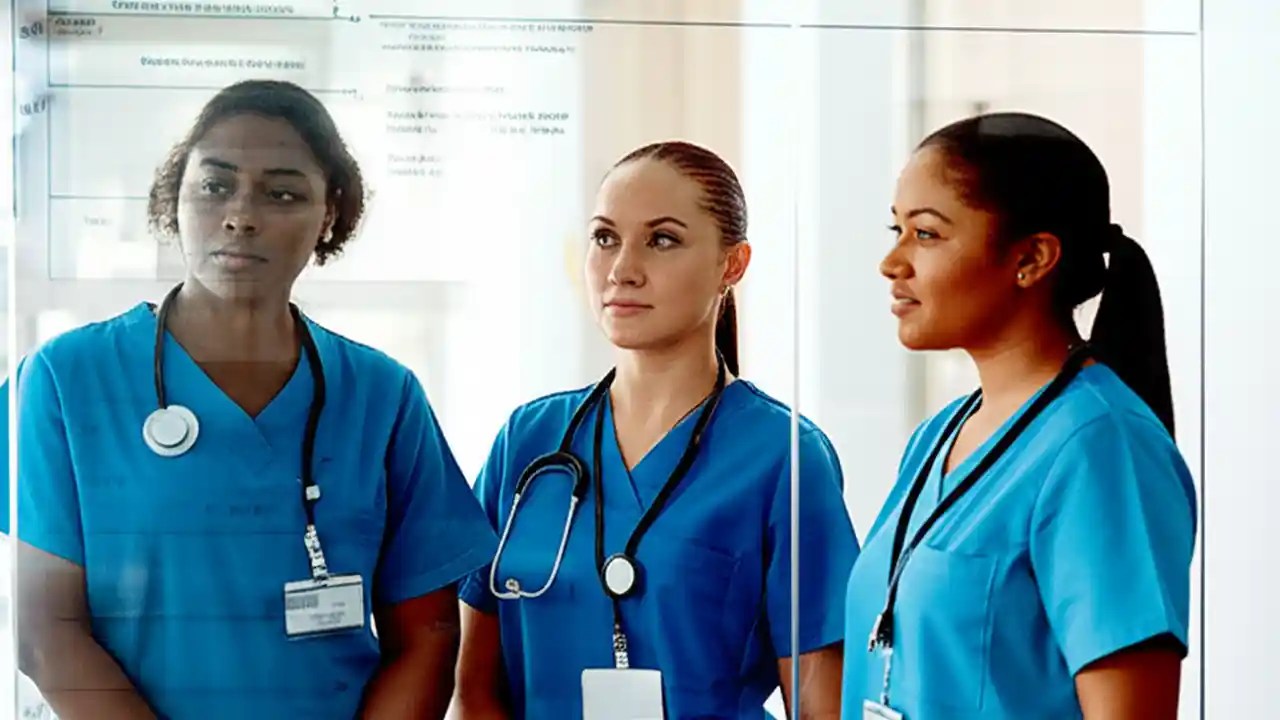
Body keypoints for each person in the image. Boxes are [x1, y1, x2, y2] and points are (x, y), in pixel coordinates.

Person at [13, 79, 497, 720]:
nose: (241, 215)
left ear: (329, 214)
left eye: (282, 193)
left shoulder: (383, 396)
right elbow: (44, 630)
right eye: (215, 186)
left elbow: (428, 638)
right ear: (173, 198)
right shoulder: (65, 379)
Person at [452, 141, 860, 719]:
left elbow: (819, 708)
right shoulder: (529, 441)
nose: (622, 269)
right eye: (605, 238)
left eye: (661, 240)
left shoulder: (784, 457)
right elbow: (472, 690)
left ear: (732, 264)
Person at [843, 111, 1198, 719]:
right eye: (895, 229)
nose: (892, 262)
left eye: (925, 234)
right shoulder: (939, 435)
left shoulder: (1102, 445)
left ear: (1032, 258)